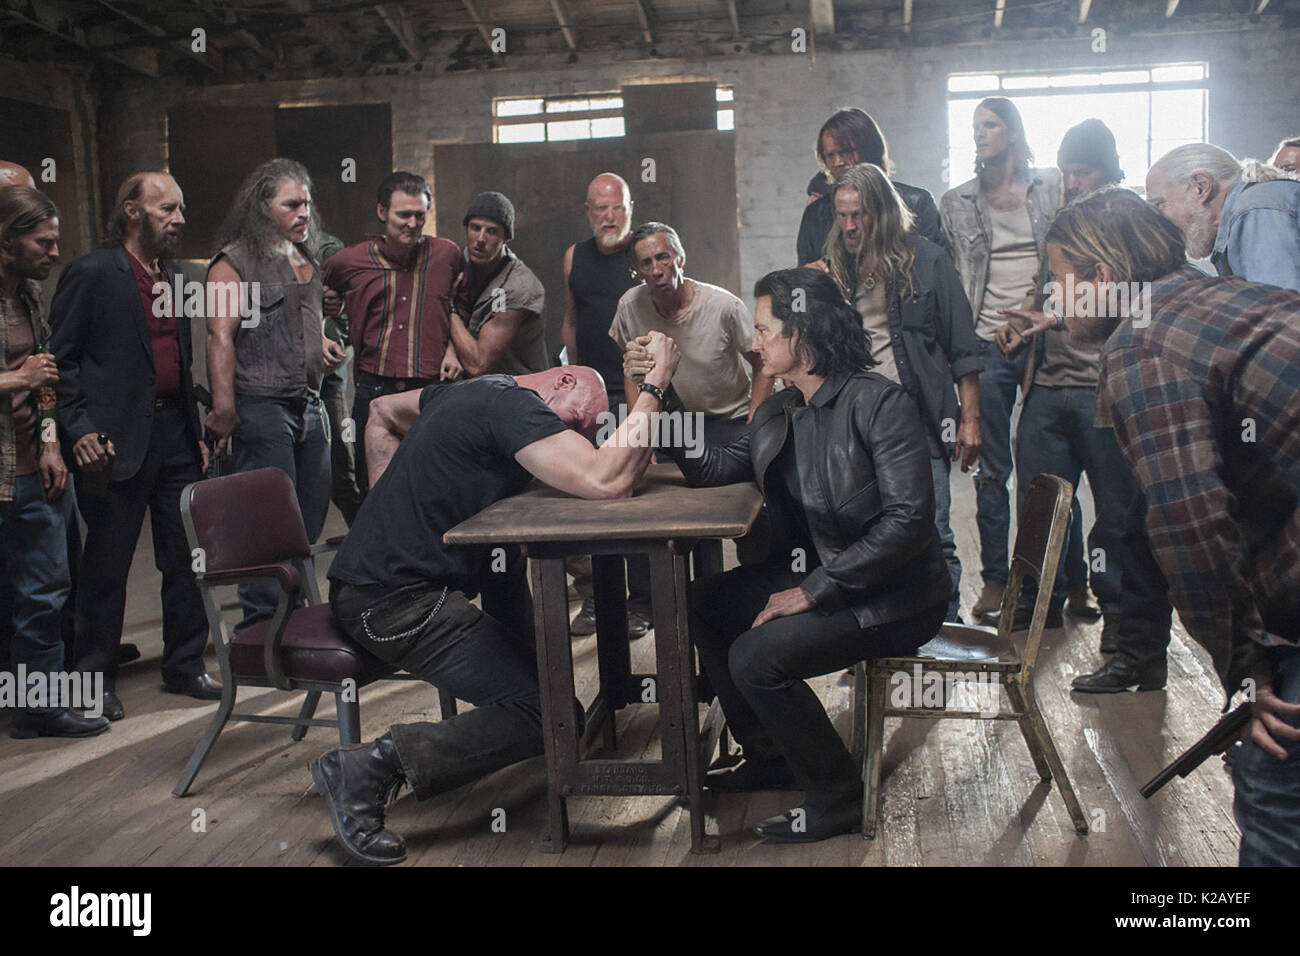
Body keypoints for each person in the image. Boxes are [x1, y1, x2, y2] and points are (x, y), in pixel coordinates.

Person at [312, 338, 683, 865]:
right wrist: (655, 386)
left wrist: (386, 507)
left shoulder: (469, 394)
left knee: (552, 704)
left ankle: (539, 734)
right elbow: (608, 479)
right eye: (578, 422)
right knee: (547, 715)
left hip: (390, 588)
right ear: (560, 381)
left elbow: (382, 412)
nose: (574, 436)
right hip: (392, 606)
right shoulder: (512, 407)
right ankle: (366, 766)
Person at [1047, 186, 1300, 864]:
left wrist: (1245, 669)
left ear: (1102, 279)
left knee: (1276, 779)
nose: (1054, 300)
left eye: (1060, 281)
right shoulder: (1225, 298)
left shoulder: (1145, 342)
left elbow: (1190, 524)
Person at [659, 267, 949, 843]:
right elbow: (714, 466)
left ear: (804, 333)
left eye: (765, 328)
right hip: (825, 576)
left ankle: (839, 796)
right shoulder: (781, 409)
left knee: (754, 658)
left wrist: (815, 590)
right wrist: (662, 394)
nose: (754, 341)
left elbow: (909, 523)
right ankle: (773, 760)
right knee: (703, 604)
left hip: (895, 593)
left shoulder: (881, 403)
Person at [49, 172, 219, 718]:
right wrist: (77, 431)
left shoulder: (171, 275)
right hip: (112, 442)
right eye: (168, 208)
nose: (181, 219)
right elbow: (63, 362)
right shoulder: (92, 273)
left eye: (182, 208)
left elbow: (174, 359)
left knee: (185, 556)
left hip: (175, 435)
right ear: (131, 211)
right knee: (107, 562)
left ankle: (186, 663)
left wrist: (197, 431)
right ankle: (92, 678)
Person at [995, 119, 1150, 643]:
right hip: (1047, 389)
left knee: (1117, 513)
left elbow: (1137, 303)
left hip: (1105, 394)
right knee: (1039, 504)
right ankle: (1038, 605)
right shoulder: (1063, 225)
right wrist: (1025, 328)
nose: (1073, 183)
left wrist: (1057, 318)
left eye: (1082, 172)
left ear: (1111, 171)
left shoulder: (1134, 227)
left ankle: (1121, 622)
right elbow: (1045, 293)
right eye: (1066, 174)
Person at [818, 162, 982, 622]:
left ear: (884, 213)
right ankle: (876, 637)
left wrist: (969, 421)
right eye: (843, 215)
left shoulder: (929, 260)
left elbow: (963, 349)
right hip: (856, 425)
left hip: (919, 420)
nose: (850, 226)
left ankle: (944, 634)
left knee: (934, 533)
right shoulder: (837, 269)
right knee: (868, 539)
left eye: (860, 215)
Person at [940, 97, 1064, 625]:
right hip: (986, 343)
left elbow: (1066, 263)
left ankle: (1054, 586)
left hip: (1045, 338)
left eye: (990, 125)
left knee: (1049, 467)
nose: (980, 134)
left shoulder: (1051, 189)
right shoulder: (958, 202)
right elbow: (951, 281)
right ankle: (995, 581)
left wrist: (1040, 312)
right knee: (992, 469)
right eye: (975, 127)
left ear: (1012, 131)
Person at [205, 158, 340, 631]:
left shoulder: (305, 259)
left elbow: (302, 322)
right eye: (292, 204)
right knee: (266, 521)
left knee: (308, 516)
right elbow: (219, 336)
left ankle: (296, 613)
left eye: (307, 203)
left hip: (310, 405)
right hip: (261, 406)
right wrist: (224, 408)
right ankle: (262, 624)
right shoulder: (233, 262)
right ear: (263, 206)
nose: (304, 212)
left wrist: (320, 344)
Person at [1, 185, 107, 738]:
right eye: (42, 242)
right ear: (7, 240)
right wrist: (18, 378)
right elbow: (30, 375)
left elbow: (48, 382)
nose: (53, 251)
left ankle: (36, 708)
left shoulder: (32, 297)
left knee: (44, 595)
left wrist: (49, 443)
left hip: (33, 471)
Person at [321, 171, 463, 499]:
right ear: (382, 213)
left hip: (430, 390)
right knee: (377, 491)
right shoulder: (349, 260)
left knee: (433, 486)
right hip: (374, 388)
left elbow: (463, 305)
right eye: (403, 214)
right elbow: (311, 293)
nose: (412, 223)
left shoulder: (447, 255)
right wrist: (321, 331)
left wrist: (454, 349)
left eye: (419, 214)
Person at [560, 172, 652, 638]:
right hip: (591, 393)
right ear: (588, 211)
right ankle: (597, 601)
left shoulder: (644, 254)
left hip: (639, 392)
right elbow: (572, 320)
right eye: (601, 208)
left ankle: (640, 604)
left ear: (630, 209)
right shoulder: (574, 257)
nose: (610, 216)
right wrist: (573, 383)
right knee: (587, 500)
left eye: (618, 207)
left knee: (632, 497)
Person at [614, 222, 772, 446]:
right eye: (646, 264)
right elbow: (631, 374)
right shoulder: (629, 307)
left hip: (728, 421)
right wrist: (640, 437)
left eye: (663, 257)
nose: (657, 270)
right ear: (638, 273)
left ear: (680, 260)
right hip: (670, 425)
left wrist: (754, 423)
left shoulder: (724, 306)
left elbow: (763, 363)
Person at [796, 108, 946, 265]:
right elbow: (800, 282)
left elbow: (933, 269)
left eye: (847, 152)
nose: (838, 162)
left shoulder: (917, 203)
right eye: (830, 155)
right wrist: (808, 275)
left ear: (871, 150)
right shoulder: (816, 213)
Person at [1146, 142, 1300, 292]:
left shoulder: (1256, 208)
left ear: (1200, 186)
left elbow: (1284, 312)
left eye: (1159, 204)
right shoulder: (1253, 207)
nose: (1158, 221)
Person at [447, 191, 548, 376]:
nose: (480, 239)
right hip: (470, 387)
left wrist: (450, 309)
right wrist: (449, 351)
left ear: (505, 238)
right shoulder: (455, 266)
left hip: (517, 389)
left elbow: (478, 364)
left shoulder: (516, 287)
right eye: (475, 228)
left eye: (491, 231)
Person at [313, 230, 361, 525]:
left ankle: (367, 544)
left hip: (329, 381)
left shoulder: (327, 249)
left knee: (344, 472)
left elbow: (354, 312)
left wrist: (338, 310)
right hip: (283, 385)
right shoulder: (260, 253)